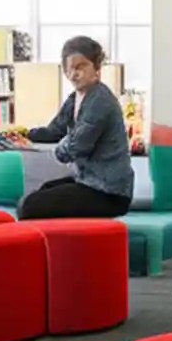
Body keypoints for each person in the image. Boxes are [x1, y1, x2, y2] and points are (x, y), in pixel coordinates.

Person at [20, 36, 134, 219]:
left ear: (96, 68)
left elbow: (77, 147)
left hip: (108, 192)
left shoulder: (100, 101)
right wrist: (25, 135)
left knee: (31, 206)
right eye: (69, 69)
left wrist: (59, 147)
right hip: (88, 181)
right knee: (38, 194)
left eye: (81, 67)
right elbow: (54, 130)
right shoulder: (75, 98)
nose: (74, 74)